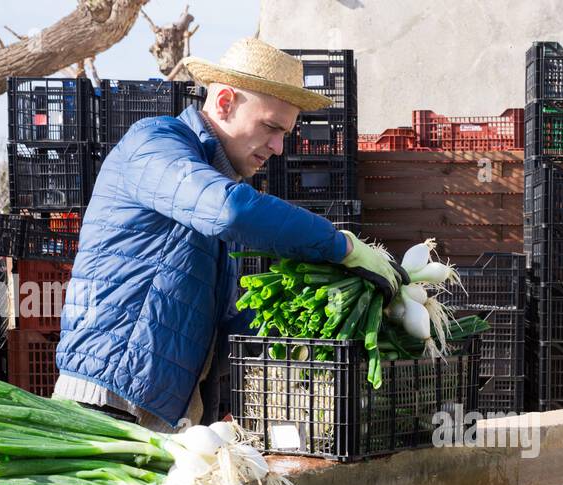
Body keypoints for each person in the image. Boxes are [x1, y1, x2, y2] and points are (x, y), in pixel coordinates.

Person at [53, 37, 402, 432]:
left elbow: (216, 316)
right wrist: (342, 246)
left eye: (284, 133)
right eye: (270, 127)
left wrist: (331, 313)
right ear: (224, 102)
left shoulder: (215, 178)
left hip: (165, 405)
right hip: (110, 398)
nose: (278, 147)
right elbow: (231, 211)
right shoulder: (154, 144)